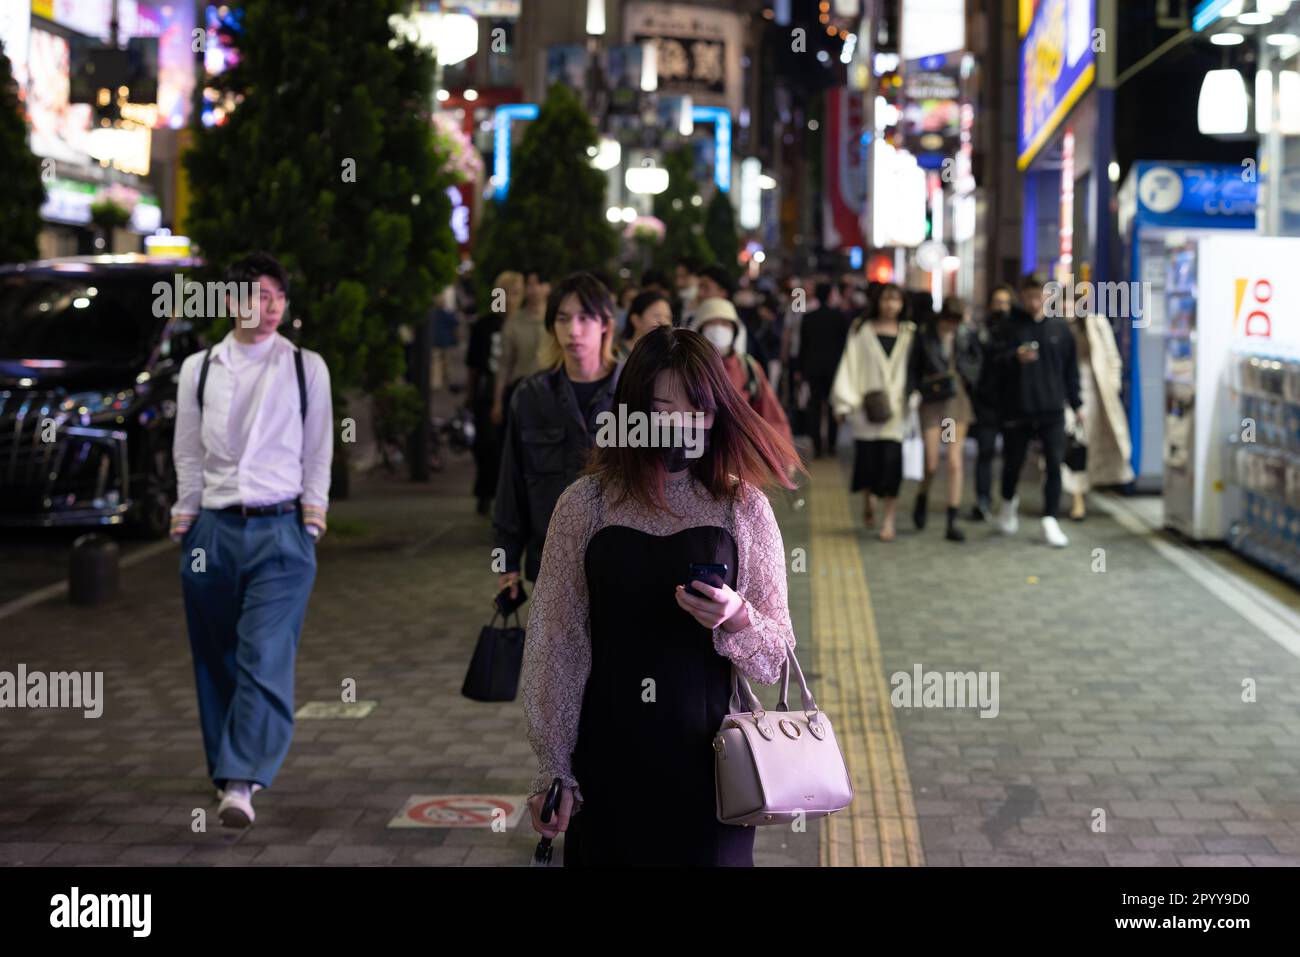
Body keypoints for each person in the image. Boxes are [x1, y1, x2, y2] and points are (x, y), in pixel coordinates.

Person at [522, 325, 801, 866]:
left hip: (715, 767)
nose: (683, 425)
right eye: (663, 408)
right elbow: (555, 644)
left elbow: (777, 659)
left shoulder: (742, 508)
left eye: (698, 409)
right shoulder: (586, 505)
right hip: (607, 761)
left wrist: (737, 617)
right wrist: (554, 768)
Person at [169, 252, 333, 828]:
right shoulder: (200, 369)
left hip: (282, 529)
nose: (264, 309)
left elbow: (318, 450)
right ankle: (226, 768)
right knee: (216, 659)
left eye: (274, 297)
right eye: (252, 296)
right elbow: (188, 450)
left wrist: (311, 520)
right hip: (211, 529)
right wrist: (185, 517)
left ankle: (242, 780)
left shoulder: (305, 367)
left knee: (264, 654)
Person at [494, 272, 622, 599]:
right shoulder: (531, 396)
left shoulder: (633, 392)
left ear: (605, 323)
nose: (573, 330)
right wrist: (505, 565)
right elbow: (511, 485)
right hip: (550, 564)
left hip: (622, 562)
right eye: (563, 319)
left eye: (584, 318)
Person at [994, 274, 1083, 547]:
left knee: (1054, 464)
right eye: (1029, 296)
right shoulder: (1008, 327)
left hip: (1052, 410)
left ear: (1048, 296)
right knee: (1013, 463)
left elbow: (1071, 371)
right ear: (1022, 296)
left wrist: (1077, 404)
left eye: (1039, 295)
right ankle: (1008, 503)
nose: (1034, 302)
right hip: (1017, 409)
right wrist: (1013, 358)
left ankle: (1050, 519)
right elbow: (992, 365)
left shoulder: (1060, 329)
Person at [832, 283, 917, 542]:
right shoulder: (862, 329)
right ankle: (868, 499)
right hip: (865, 408)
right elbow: (849, 364)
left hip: (898, 409)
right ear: (877, 301)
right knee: (868, 463)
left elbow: (917, 366)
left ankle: (888, 521)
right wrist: (844, 403)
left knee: (892, 465)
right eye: (886, 299)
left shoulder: (910, 332)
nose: (891, 305)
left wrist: (916, 395)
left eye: (896, 300)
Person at [909, 297, 982, 542]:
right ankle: (922, 495)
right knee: (931, 463)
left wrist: (965, 373)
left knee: (954, 461)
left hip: (956, 401)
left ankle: (952, 520)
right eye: (950, 320)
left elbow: (976, 362)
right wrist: (911, 393)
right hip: (932, 399)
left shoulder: (965, 335)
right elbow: (913, 367)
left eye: (957, 321)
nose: (952, 325)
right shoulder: (924, 335)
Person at [1062, 304, 1135, 520]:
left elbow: (1113, 357)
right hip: (1069, 393)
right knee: (1076, 444)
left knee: (1093, 442)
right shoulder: (1058, 326)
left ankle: (1090, 486)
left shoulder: (1096, 322)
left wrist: (1112, 385)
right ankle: (1078, 499)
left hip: (1097, 391)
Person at [690, 296, 793, 448]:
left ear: (735, 330)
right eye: (712, 323)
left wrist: (784, 455)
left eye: (725, 324)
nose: (719, 329)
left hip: (741, 458)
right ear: (700, 328)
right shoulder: (687, 368)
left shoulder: (749, 367)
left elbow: (771, 415)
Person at [970, 285, 1015, 521]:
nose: (1001, 307)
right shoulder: (981, 332)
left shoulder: (1018, 331)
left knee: (1011, 455)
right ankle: (983, 500)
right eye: (997, 302)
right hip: (987, 402)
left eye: (1005, 303)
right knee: (985, 451)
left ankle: (1008, 501)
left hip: (1012, 403)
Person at [797, 281, 851, 459]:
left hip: (812, 367)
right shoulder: (839, 316)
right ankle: (832, 445)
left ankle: (817, 446)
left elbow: (802, 346)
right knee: (833, 406)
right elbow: (845, 345)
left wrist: (799, 368)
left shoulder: (808, 317)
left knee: (814, 406)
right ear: (830, 295)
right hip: (834, 369)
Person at [465, 283, 506, 515]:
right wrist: (470, 394)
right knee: (486, 446)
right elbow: (473, 364)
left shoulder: (519, 324)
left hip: (507, 393)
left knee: (501, 447)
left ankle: (497, 494)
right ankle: (485, 493)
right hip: (486, 392)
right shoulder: (484, 326)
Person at [491, 270, 547, 428]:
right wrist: (498, 402)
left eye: (538, 284)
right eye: (530, 285)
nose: (534, 290)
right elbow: (504, 364)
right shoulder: (513, 323)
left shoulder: (559, 320)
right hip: (521, 390)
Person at [617, 289, 673, 361]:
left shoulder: (667, 359)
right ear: (636, 319)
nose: (663, 322)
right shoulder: (615, 355)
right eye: (657, 315)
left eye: (668, 317)